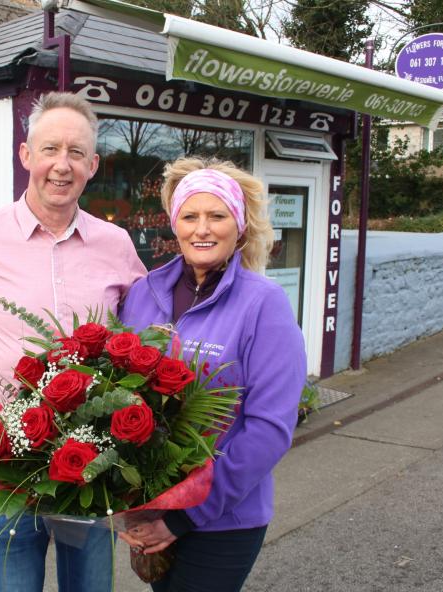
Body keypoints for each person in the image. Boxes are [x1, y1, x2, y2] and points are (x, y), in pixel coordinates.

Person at [0, 91, 147, 592]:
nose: (62, 165)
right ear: (26, 155)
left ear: (93, 165)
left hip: (92, 464)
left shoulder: (115, 245)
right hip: (4, 463)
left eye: (76, 153)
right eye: (50, 149)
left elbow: (142, 338)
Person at [117, 157, 307, 592]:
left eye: (217, 216)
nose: (202, 229)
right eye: (190, 216)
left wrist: (185, 516)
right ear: (175, 224)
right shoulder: (143, 295)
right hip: (151, 509)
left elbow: (269, 429)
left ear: (238, 226)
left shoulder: (264, 305)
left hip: (224, 519)